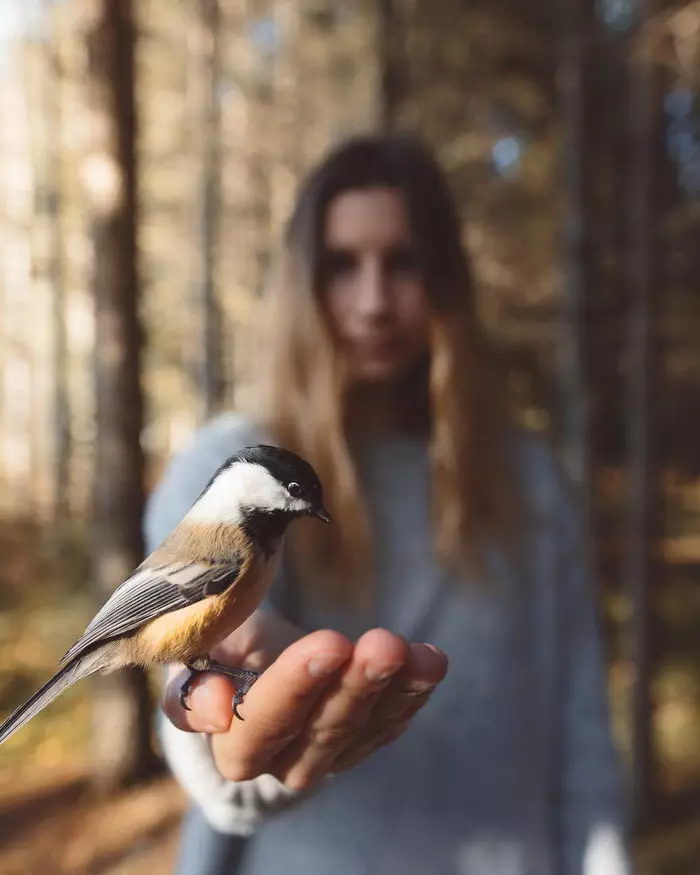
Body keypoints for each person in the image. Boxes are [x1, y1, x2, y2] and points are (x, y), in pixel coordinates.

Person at [145, 133, 633, 875]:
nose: (373, 302)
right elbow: (202, 733)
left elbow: (580, 729)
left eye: (402, 262)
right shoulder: (227, 473)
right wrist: (237, 702)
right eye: (342, 265)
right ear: (302, 285)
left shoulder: (532, 482)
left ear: (445, 279)